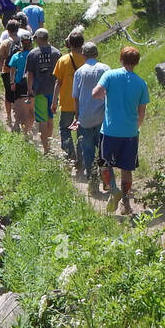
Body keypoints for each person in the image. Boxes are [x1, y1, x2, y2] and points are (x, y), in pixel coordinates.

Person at [92, 45, 150, 216]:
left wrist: (106, 95)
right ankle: (126, 204)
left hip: (110, 130)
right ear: (137, 62)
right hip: (130, 133)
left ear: (120, 59)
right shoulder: (141, 83)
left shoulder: (110, 75)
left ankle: (113, 189)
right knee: (127, 169)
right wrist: (135, 127)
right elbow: (142, 111)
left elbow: (96, 93)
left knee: (103, 163)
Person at [72, 42, 108, 197]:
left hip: (85, 117)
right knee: (103, 151)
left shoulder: (79, 72)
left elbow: (76, 97)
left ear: (83, 55)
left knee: (88, 152)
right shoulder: (106, 69)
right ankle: (107, 181)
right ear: (97, 54)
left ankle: (93, 185)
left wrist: (76, 116)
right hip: (102, 116)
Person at [52, 28, 87, 172]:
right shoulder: (87, 60)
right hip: (84, 103)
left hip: (67, 102)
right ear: (82, 43)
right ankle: (80, 161)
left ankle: (69, 155)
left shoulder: (63, 60)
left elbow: (58, 82)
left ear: (69, 44)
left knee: (65, 130)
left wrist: (54, 101)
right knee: (82, 132)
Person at [25, 28, 62, 157]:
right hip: (53, 90)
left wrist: (29, 90)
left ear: (39, 39)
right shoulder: (57, 53)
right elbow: (60, 75)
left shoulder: (33, 54)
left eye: (35, 38)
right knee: (50, 119)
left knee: (42, 120)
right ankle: (49, 143)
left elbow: (30, 74)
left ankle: (46, 149)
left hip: (39, 91)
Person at [0, 18, 22, 126]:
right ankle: (19, 117)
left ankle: (9, 117)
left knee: (8, 95)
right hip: (20, 72)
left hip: (7, 71)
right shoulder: (23, 41)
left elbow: (0, 61)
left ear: (7, 30)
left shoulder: (5, 43)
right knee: (19, 95)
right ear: (18, 29)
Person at [6, 31, 35, 136]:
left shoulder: (16, 56)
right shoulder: (35, 54)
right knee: (31, 108)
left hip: (20, 85)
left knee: (19, 107)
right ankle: (28, 129)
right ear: (31, 42)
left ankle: (22, 127)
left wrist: (12, 82)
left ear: (21, 43)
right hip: (33, 85)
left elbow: (12, 70)